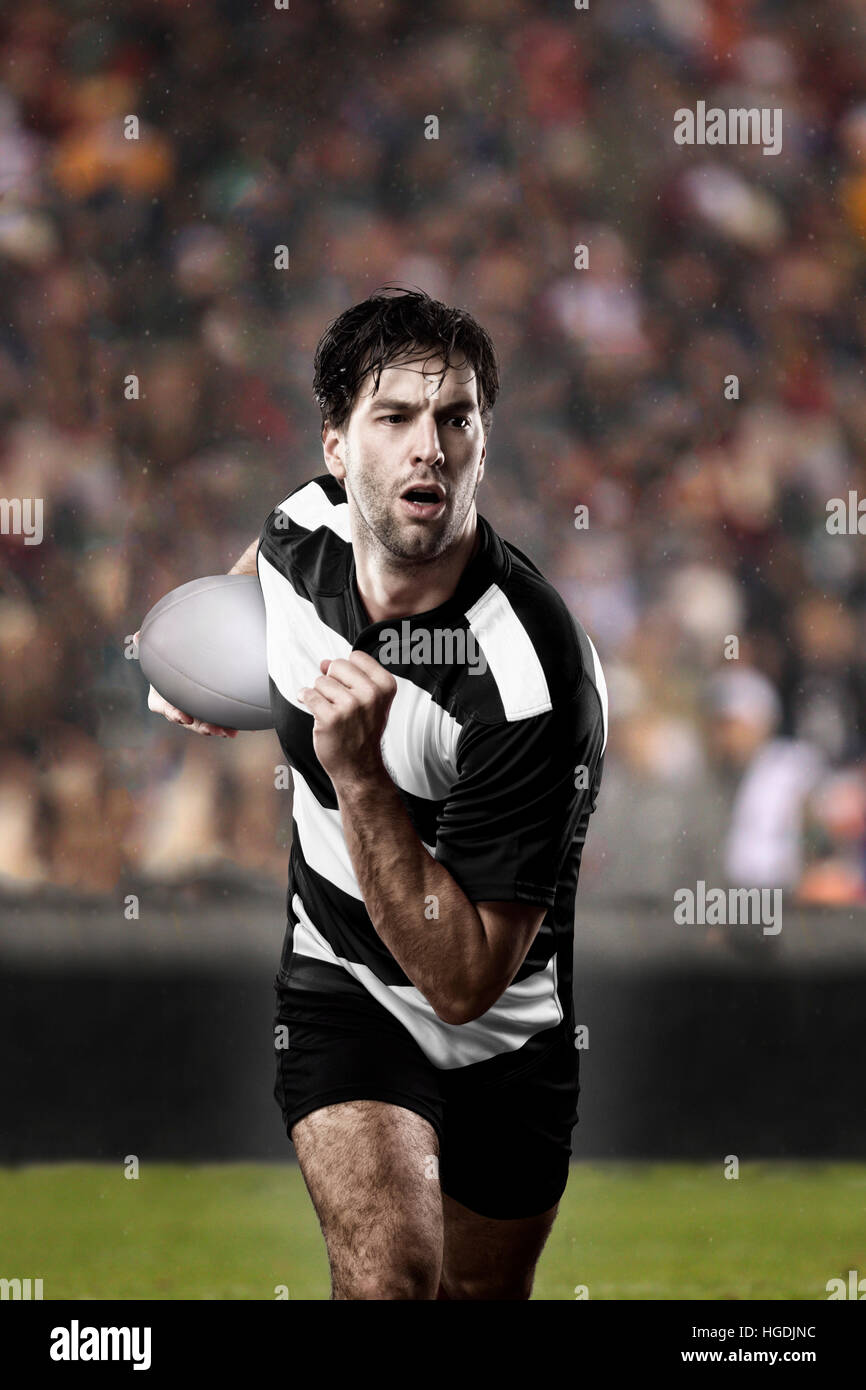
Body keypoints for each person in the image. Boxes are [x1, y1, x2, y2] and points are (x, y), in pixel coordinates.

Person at [145, 288, 607, 1300]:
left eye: (454, 419)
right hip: (342, 987)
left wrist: (357, 777)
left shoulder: (531, 681)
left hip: (499, 1031)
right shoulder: (299, 528)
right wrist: (208, 672)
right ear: (336, 448)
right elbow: (253, 574)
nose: (427, 448)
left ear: (485, 442)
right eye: (392, 418)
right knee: (390, 1279)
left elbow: (463, 980)